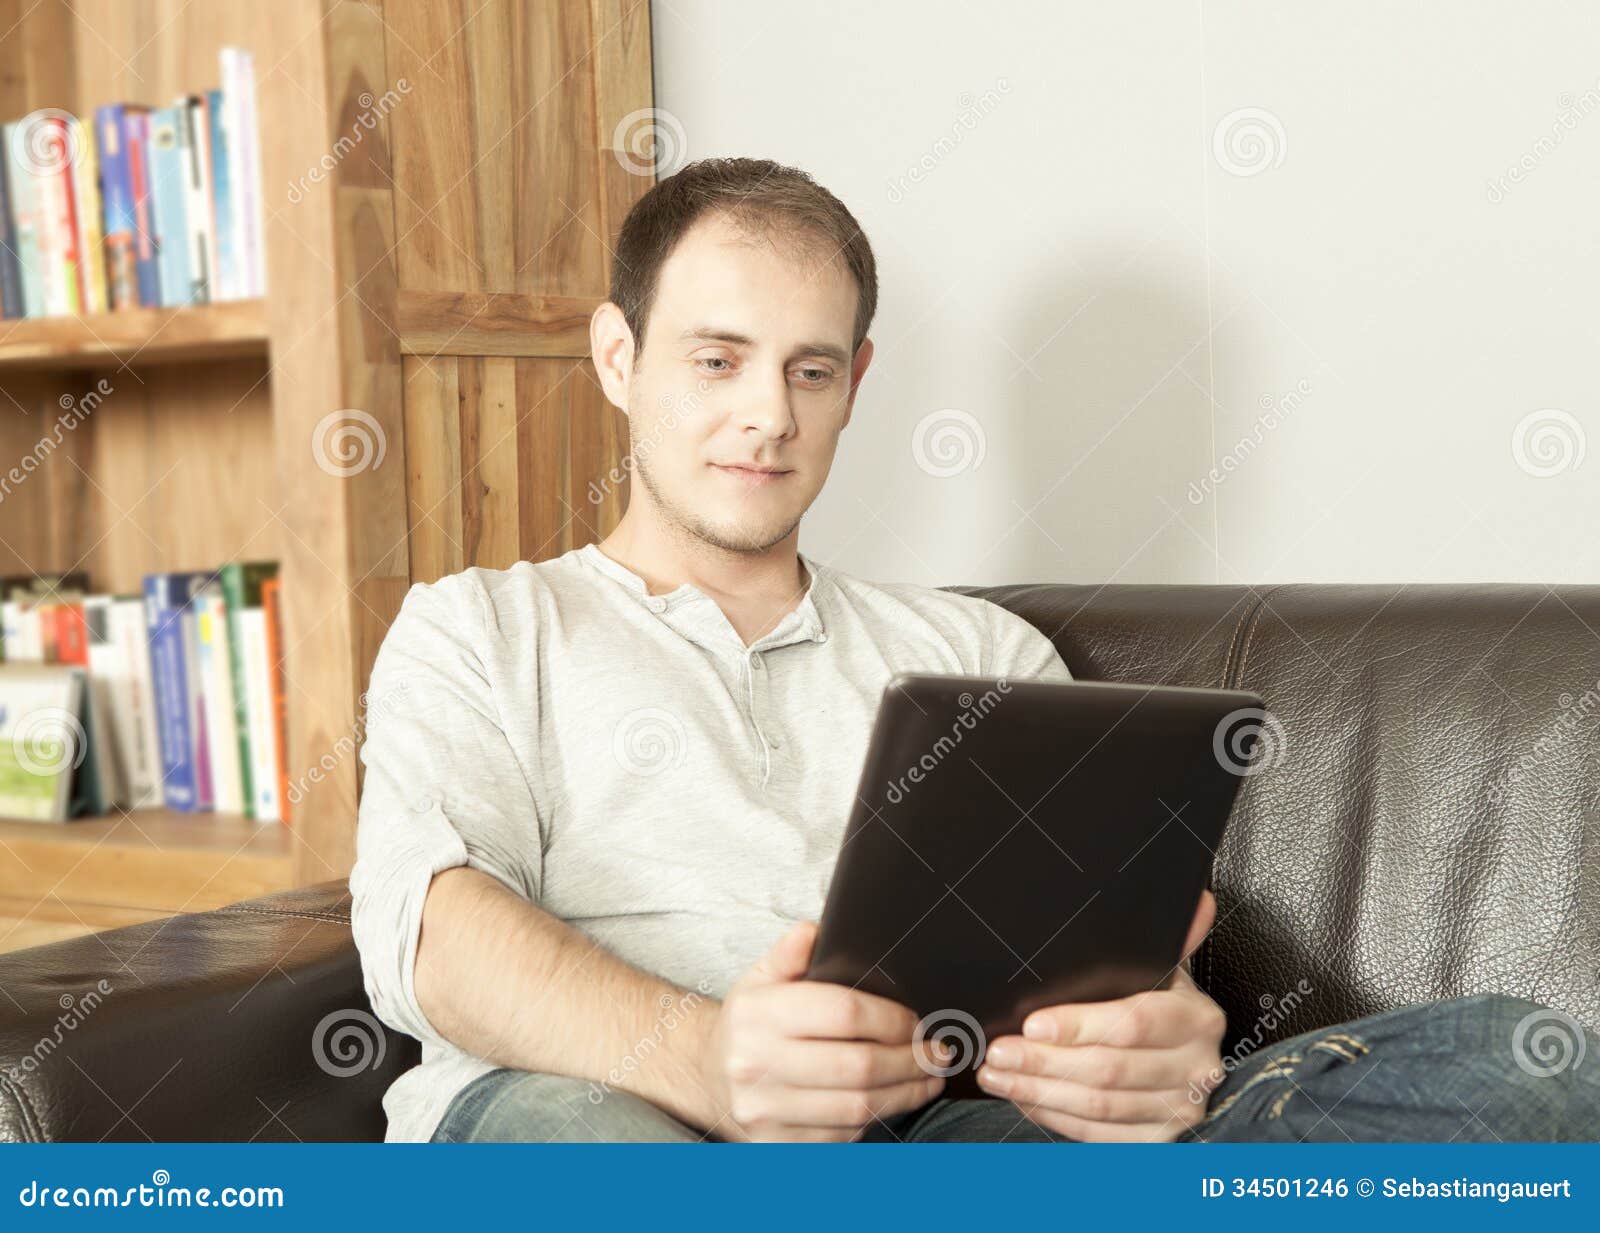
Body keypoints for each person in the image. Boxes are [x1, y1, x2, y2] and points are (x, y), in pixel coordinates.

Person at [350, 157, 1599, 1144]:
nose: (766, 415)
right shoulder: (479, 627)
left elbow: (1099, 981)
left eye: (811, 369)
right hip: (599, 1116)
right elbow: (433, 936)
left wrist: (1158, 1045)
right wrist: (704, 1062)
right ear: (617, 358)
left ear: (856, 383)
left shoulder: (978, 650)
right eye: (716, 359)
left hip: (952, 1134)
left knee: (1519, 1071)